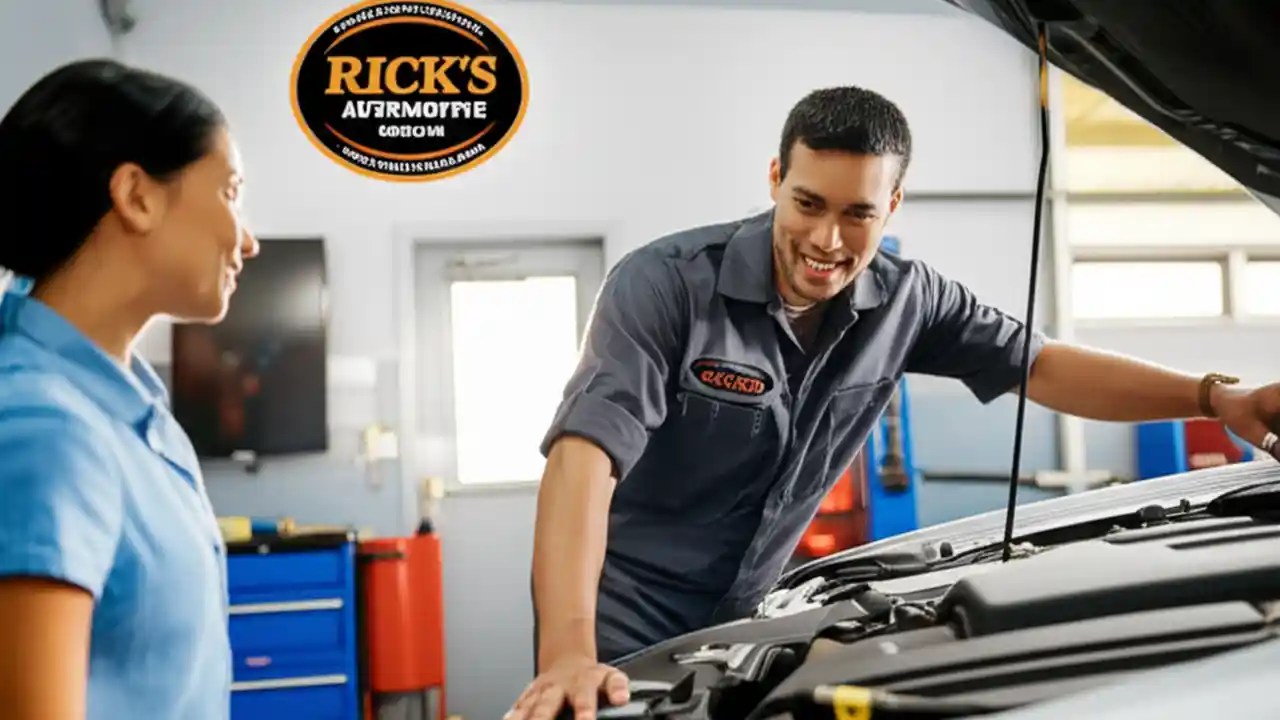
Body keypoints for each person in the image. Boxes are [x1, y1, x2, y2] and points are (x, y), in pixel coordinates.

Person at [507, 85, 1280, 720]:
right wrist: (569, 649)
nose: (827, 239)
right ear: (775, 177)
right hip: (618, 615)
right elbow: (586, 457)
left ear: (894, 203)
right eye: (808, 203)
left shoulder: (910, 303)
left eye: (857, 214)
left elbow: (1042, 365)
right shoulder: (665, 285)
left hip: (742, 618)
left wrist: (1216, 399)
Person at [0, 59, 259, 719]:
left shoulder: (129, 407)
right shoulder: (46, 427)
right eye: (230, 191)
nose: (248, 239)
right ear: (137, 196)